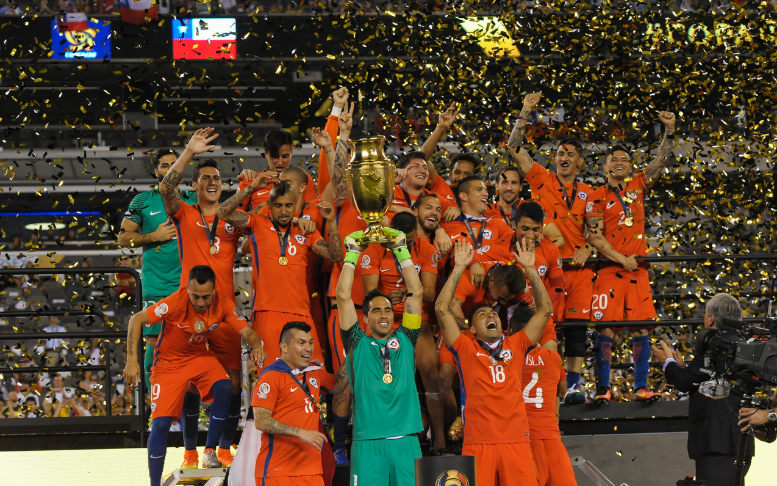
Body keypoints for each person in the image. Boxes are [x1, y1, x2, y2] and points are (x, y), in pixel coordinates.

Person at [159, 128, 253, 467]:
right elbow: (165, 188)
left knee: (233, 384)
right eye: (205, 178)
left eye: (216, 177)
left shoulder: (232, 219)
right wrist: (189, 151)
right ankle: (188, 451)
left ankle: (224, 449)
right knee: (188, 386)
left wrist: (251, 186)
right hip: (189, 312)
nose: (212, 182)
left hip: (225, 314)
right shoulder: (183, 212)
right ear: (196, 185)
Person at [123, 265, 266, 486]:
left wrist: (256, 346)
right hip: (168, 363)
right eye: (195, 296)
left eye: (205, 297)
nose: (200, 302)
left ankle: (210, 450)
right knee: (160, 425)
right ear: (187, 288)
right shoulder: (174, 301)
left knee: (226, 387)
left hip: (199, 357)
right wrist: (132, 360)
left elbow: (247, 331)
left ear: (215, 290)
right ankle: (153, 483)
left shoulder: (223, 304)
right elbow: (136, 320)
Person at [436, 238, 552, 486]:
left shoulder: (517, 344)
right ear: (473, 329)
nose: (490, 314)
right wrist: (458, 269)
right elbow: (441, 310)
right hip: (479, 442)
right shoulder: (465, 347)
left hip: (517, 441)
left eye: (492, 313)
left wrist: (531, 270)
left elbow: (544, 311)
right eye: (481, 314)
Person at [507, 93, 598, 404]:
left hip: (580, 272)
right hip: (546, 268)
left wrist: (587, 244)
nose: (563, 157)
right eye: (560, 152)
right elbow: (513, 148)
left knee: (575, 331)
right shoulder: (542, 178)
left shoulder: (588, 193)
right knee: (546, 326)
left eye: (570, 153)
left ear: (579, 161)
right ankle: (547, 385)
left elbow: (595, 229)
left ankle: (571, 387)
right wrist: (525, 111)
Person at [586, 110, 677, 403]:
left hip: (637, 269)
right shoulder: (596, 196)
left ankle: (639, 388)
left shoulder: (638, 185)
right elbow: (594, 237)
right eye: (614, 159)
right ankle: (603, 389)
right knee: (606, 328)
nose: (620, 162)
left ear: (630, 165)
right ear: (606, 166)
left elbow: (661, 162)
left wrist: (670, 131)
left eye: (625, 159)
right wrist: (619, 258)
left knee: (641, 328)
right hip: (611, 269)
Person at [216, 179, 343, 367]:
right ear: (269, 206)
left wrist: (332, 222)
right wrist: (252, 188)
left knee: (310, 377)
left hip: (301, 313)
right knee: (270, 375)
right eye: (278, 206)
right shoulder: (257, 224)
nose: (284, 211)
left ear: (295, 206)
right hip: (267, 313)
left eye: (288, 205)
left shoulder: (305, 230)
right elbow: (222, 212)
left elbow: (335, 255)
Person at [337, 227, 425, 486]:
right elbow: (343, 296)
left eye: (387, 310)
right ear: (365, 318)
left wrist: (401, 250)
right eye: (376, 311)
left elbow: (416, 292)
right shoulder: (357, 342)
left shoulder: (406, 338)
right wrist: (352, 255)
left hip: (406, 441)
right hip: (368, 442)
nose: (384, 315)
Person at [359, 212, 447, 454]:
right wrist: (386, 299)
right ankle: (386, 434)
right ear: (390, 234)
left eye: (410, 241)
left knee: (430, 372)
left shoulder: (426, 249)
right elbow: (369, 294)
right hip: (384, 323)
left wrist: (410, 290)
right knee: (386, 378)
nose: (407, 246)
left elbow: (429, 293)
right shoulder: (373, 252)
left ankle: (439, 436)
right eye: (401, 241)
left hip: (417, 320)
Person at [652, 293, 755, 486]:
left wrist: (668, 362)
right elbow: (712, 381)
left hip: (716, 440)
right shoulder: (746, 346)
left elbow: (683, 382)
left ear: (710, 319)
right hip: (741, 438)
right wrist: (682, 368)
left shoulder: (715, 346)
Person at [118, 148, 198, 390]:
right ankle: (154, 401)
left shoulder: (192, 199)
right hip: (156, 283)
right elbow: (123, 239)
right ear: (156, 171)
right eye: (165, 165)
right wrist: (153, 236)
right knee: (154, 339)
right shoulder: (142, 201)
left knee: (191, 341)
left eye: (175, 164)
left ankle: (186, 405)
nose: (171, 169)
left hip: (188, 284)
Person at [251, 321, 349, 486]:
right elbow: (261, 420)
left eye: (310, 342)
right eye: (301, 342)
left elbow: (338, 386)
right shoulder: (271, 376)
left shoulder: (314, 372)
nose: (309, 348)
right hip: (278, 473)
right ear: (284, 346)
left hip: (312, 472)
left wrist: (353, 353)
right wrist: (300, 432)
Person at [509, 308, 577, 486]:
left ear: (510, 332)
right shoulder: (554, 358)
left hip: (523, 439)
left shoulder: (507, 359)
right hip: (551, 437)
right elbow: (562, 391)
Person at [510, 201, 566, 350]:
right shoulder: (501, 244)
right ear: (514, 225)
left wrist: (541, 302)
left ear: (542, 227)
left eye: (535, 229)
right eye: (525, 229)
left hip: (537, 312)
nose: (530, 235)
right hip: (507, 311)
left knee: (551, 354)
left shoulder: (550, 249)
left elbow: (558, 286)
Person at [441, 175, 516, 285]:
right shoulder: (446, 226)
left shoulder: (497, 224)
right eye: (479, 189)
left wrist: (473, 259)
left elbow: (515, 251)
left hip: (496, 295)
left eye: (485, 190)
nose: (486, 193)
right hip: (461, 295)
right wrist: (438, 230)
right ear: (464, 196)